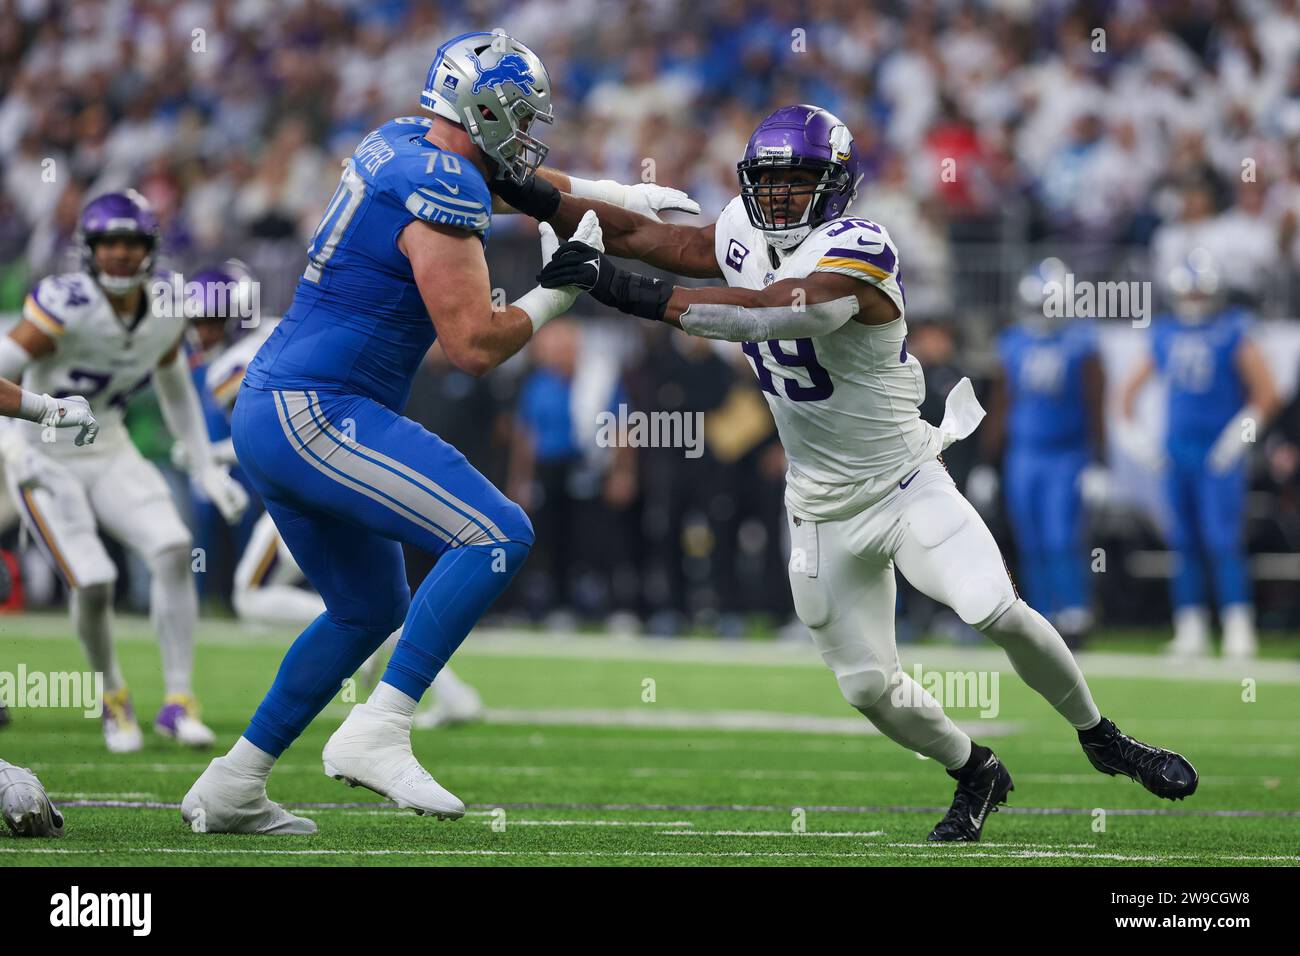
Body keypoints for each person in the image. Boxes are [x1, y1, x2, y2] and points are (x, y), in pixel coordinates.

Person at [501, 103, 1199, 841]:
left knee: (991, 607)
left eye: (798, 183)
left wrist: (618, 288)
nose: (779, 198)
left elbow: (771, 311)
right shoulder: (743, 228)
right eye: (768, 182)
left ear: (836, 187)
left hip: (903, 484)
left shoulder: (860, 247)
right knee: (868, 687)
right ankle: (975, 772)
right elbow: (647, 233)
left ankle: (1102, 736)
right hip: (817, 504)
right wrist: (525, 189)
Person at [181, 32, 696, 835]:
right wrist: (557, 297)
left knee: (365, 606)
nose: (528, 132)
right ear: (481, 108)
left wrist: (610, 193)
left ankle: (233, 783)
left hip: (275, 406)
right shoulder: (445, 181)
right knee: (495, 532)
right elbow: (476, 346)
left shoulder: (401, 141)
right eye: (519, 115)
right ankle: (380, 728)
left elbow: (516, 187)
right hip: (319, 409)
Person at [0, 191, 247, 754]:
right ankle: (113, 696)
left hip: (106, 442)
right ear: (89, 250)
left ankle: (179, 702)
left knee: (173, 545)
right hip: (41, 451)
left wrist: (206, 466)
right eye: (108, 242)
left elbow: (175, 386)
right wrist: (36, 417)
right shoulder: (65, 304)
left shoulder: (165, 306)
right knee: (93, 581)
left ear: (150, 249)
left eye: (130, 242)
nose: (118, 253)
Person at [1120, 251, 1281, 659]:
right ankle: (1190, 626)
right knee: (1182, 541)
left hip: (1217, 455)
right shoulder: (1166, 332)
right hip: (1178, 453)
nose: (1193, 297)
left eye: (1199, 289)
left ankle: (1237, 625)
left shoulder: (1233, 330)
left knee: (1222, 539)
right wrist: (1142, 443)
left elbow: (1266, 395)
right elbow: (1126, 397)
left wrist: (1236, 440)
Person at [984, 260, 1107, 647]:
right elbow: (1002, 406)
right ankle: (1039, 614)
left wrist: (1100, 463)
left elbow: (1095, 405)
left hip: (1066, 453)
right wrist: (988, 464)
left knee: (1061, 536)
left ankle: (1074, 612)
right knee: (1030, 537)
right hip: (1024, 454)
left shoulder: (1082, 343)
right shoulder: (1013, 342)